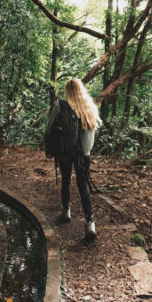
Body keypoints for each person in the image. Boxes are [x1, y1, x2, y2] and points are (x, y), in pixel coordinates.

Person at [45, 78, 102, 244]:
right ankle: (90, 224)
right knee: (83, 186)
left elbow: (48, 129)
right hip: (84, 154)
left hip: (66, 151)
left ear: (68, 91)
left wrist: (48, 148)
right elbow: (93, 134)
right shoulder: (90, 107)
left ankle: (66, 211)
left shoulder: (61, 105)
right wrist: (86, 151)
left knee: (66, 180)